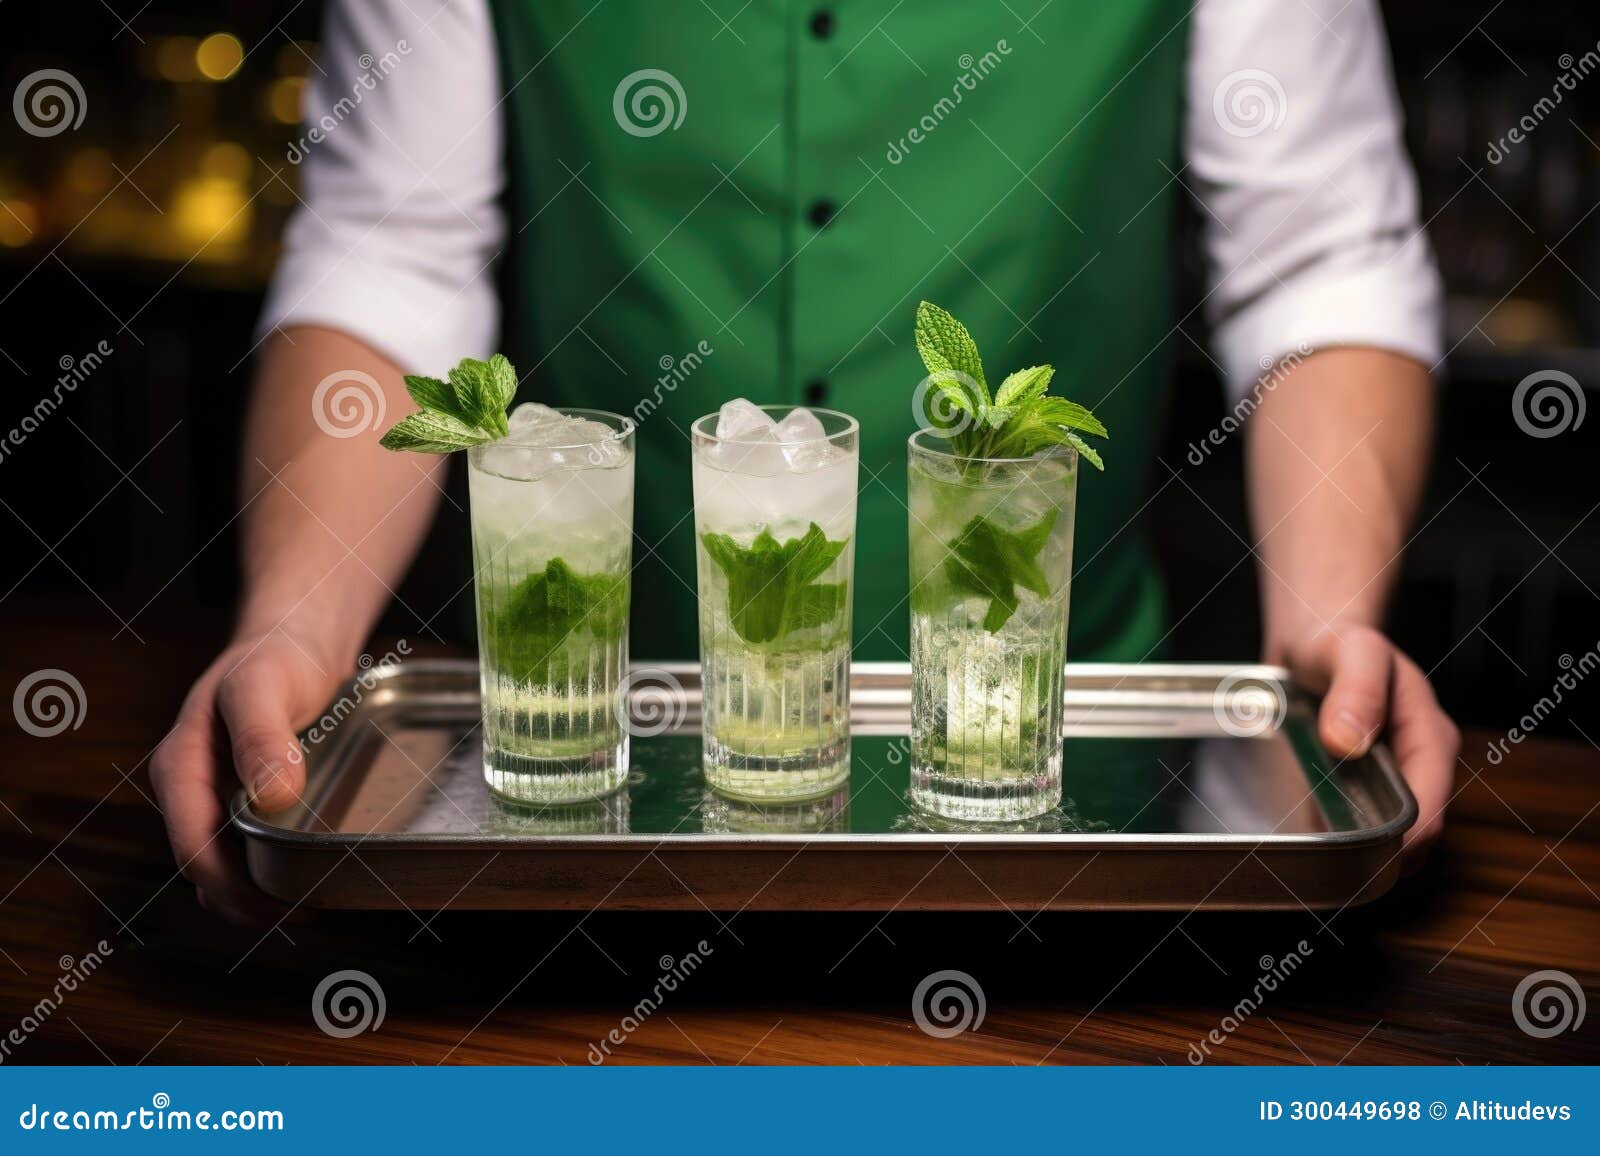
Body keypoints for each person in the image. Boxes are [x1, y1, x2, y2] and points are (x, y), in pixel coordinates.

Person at [151, 0, 1458, 920]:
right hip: (594, 796)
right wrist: (294, 633)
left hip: (1055, 793)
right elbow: (391, 247)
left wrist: (1326, 639)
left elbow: (1321, 253)